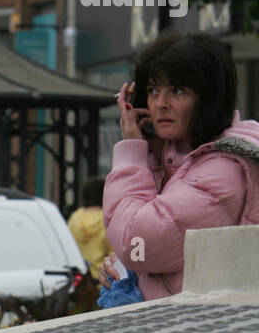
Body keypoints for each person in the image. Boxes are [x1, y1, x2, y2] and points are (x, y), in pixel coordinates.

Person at [99, 32, 259, 300]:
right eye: (152, 90)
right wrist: (125, 267)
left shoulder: (223, 169)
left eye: (178, 90)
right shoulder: (174, 158)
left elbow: (137, 241)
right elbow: (141, 250)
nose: (161, 104)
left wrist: (132, 153)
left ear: (208, 98)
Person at [67, 177, 111, 280]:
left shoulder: (74, 218)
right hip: (101, 281)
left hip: (78, 281)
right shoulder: (106, 220)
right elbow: (114, 255)